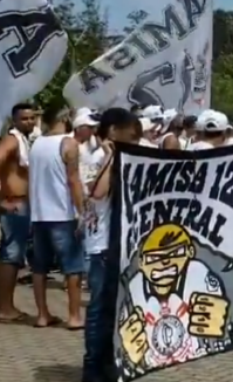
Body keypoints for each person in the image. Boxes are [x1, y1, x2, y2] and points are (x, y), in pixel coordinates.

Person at [83, 108, 139, 382]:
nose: (134, 138)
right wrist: (110, 157)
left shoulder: (113, 158)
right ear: (114, 131)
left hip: (113, 246)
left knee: (110, 311)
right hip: (100, 247)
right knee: (99, 311)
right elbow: (98, 192)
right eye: (130, 132)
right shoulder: (99, 158)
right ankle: (93, 368)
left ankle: (107, 364)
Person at [28, 107, 87, 329]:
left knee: (40, 267)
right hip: (62, 213)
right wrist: (82, 211)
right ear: (64, 119)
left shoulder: (37, 144)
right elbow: (73, 180)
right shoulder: (68, 144)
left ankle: (42, 314)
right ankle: (74, 316)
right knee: (73, 267)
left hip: (39, 213)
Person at [0, 102, 38, 324]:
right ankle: (4, 308)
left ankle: (4, 305)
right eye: (24, 118)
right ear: (14, 121)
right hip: (15, 204)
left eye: (31, 118)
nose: (29, 122)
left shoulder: (24, 140)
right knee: (11, 256)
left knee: (10, 255)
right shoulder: (12, 139)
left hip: (22, 204)